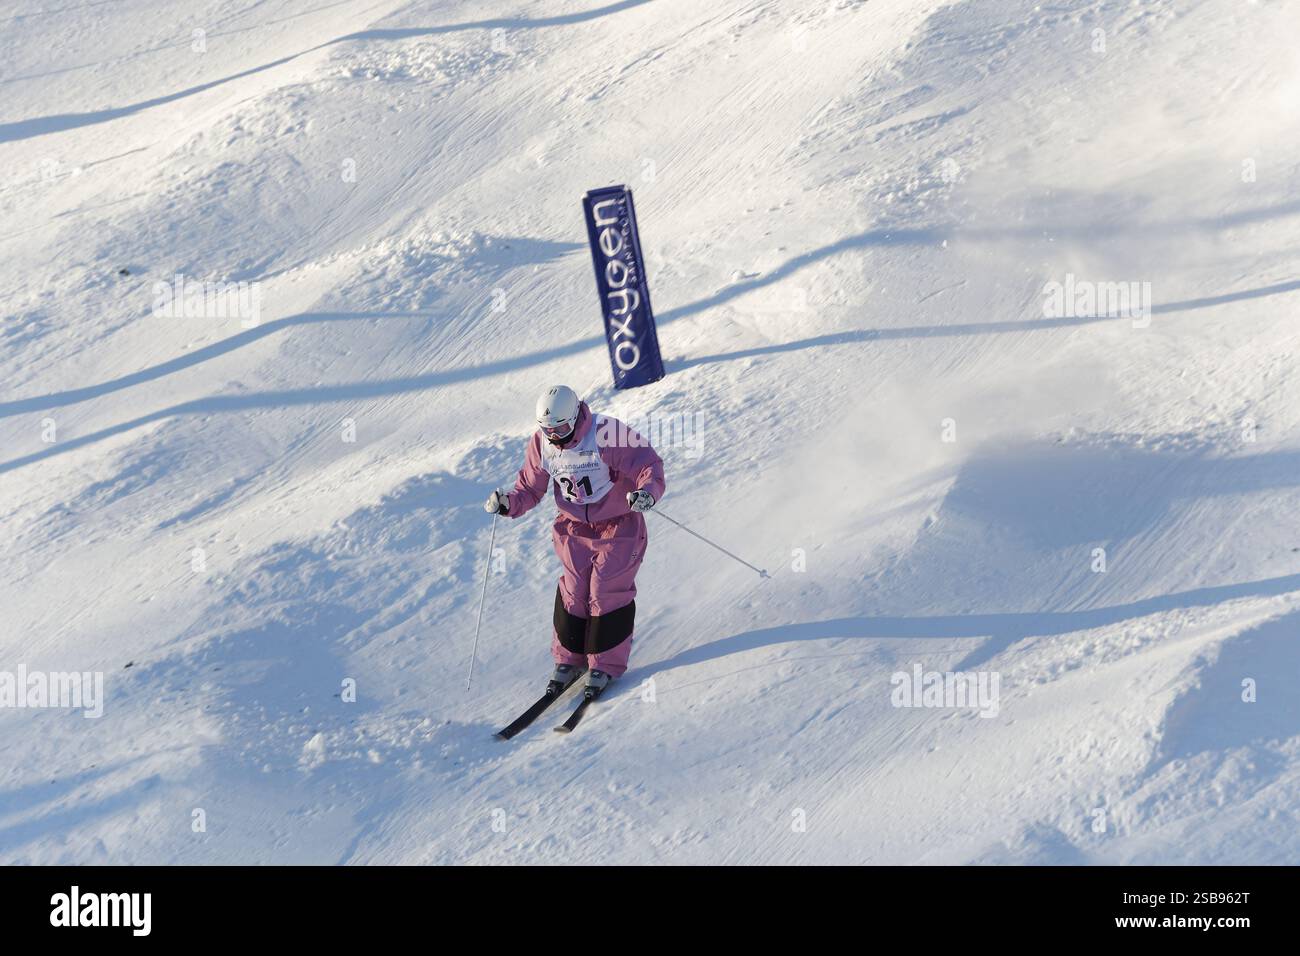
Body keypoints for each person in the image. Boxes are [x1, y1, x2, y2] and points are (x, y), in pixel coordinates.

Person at [484, 385, 665, 700]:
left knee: (605, 589)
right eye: (548, 430)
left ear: (576, 417)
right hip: (573, 528)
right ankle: (569, 660)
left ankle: (604, 663)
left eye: (562, 429)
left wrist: (647, 491)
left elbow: (647, 463)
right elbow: (529, 487)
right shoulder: (543, 444)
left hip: (618, 525)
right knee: (574, 590)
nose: (556, 437)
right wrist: (508, 503)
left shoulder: (606, 433)